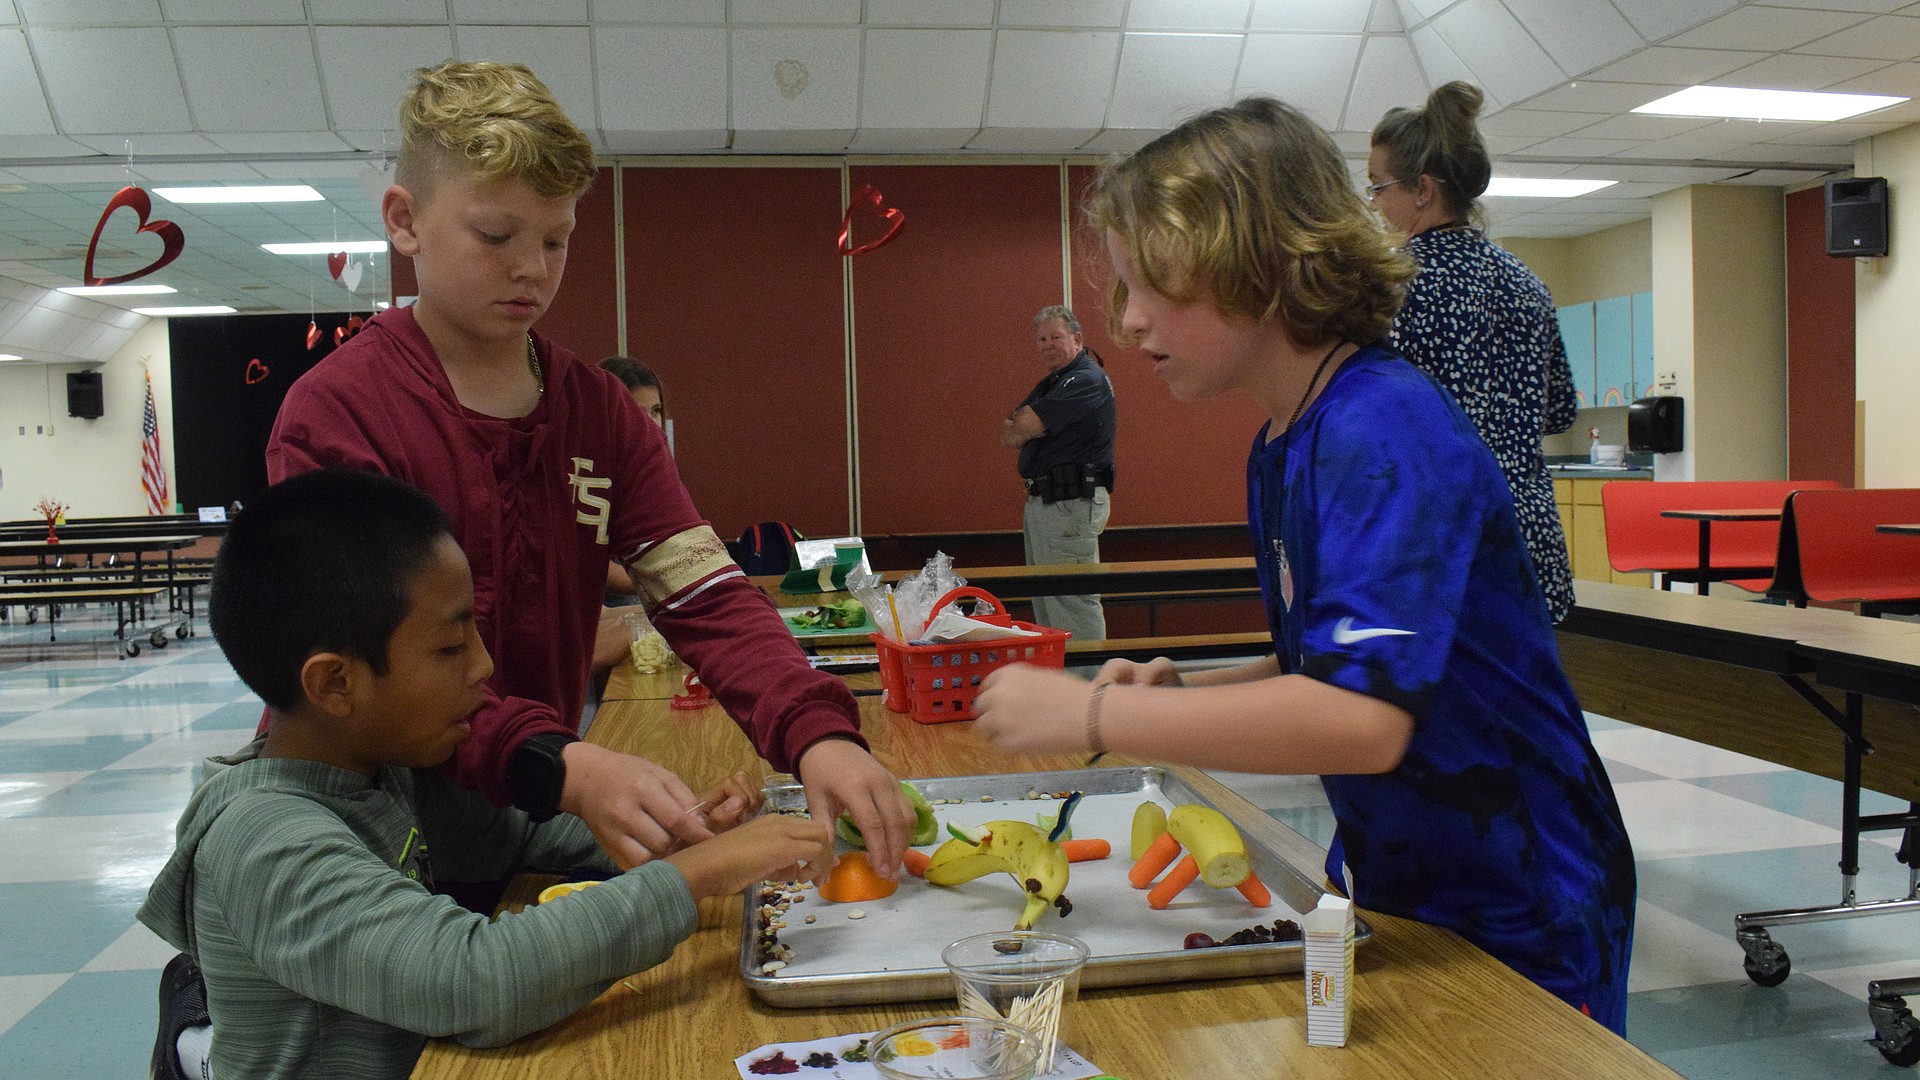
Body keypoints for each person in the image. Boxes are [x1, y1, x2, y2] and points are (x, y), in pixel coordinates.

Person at [973, 97, 1635, 1034]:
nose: (1124, 322)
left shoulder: (1379, 427)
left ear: (1253, 268)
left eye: (1145, 287)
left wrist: (1097, 712)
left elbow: (1361, 722)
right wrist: (1184, 688)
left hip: (1524, 900)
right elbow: (1337, 666)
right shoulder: (1288, 440)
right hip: (1404, 881)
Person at [264, 60, 912, 874]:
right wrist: (563, 765)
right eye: (496, 236)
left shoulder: (598, 410)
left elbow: (704, 592)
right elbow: (361, 668)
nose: (531, 267)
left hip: (521, 802)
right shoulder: (338, 412)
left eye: (556, 239)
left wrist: (817, 734)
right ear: (405, 221)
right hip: (361, 827)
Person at [140, 468, 832, 1080]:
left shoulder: (383, 769)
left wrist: (686, 835)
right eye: (450, 645)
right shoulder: (265, 841)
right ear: (335, 684)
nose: (483, 666)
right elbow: (475, 981)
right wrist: (698, 874)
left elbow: (524, 843)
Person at [1369, 81, 1578, 623]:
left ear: (1422, 189)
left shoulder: (1394, 286)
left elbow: (1372, 419)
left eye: (1378, 186)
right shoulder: (1528, 282)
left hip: (1439, 536)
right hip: (1528, 536)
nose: (1374, 203)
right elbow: (1559, 413)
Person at [1001, 305, 1116, 642]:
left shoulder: (1085, 379)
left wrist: (1029, 425)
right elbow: (1008, 433)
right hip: (1047, 503)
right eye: (1041, 339)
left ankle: (1089, 688)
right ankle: (1065, 686)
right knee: (1049, 601)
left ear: (1077, 339)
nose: (1047, 344)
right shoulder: (1053, 383)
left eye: (1056, 337)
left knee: (1072, 601)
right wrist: (1025, 425)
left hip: (1069, 503)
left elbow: (1026, 424)